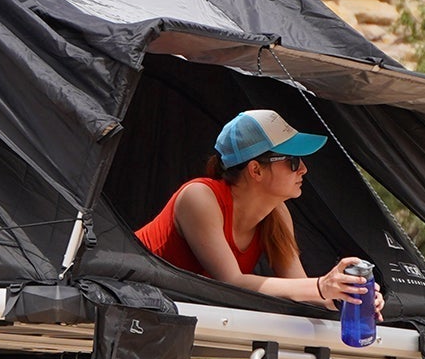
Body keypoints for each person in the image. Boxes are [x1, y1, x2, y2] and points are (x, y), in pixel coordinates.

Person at [135, 108, 382, 317]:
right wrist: (322, 286)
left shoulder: (278, 214)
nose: (304, 169)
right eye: (293, 161)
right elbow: (230, 282)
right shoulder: (199, 197)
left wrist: (349, 296)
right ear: (256, 170)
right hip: (129, 297)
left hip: (165, 314)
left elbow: (298, 289)